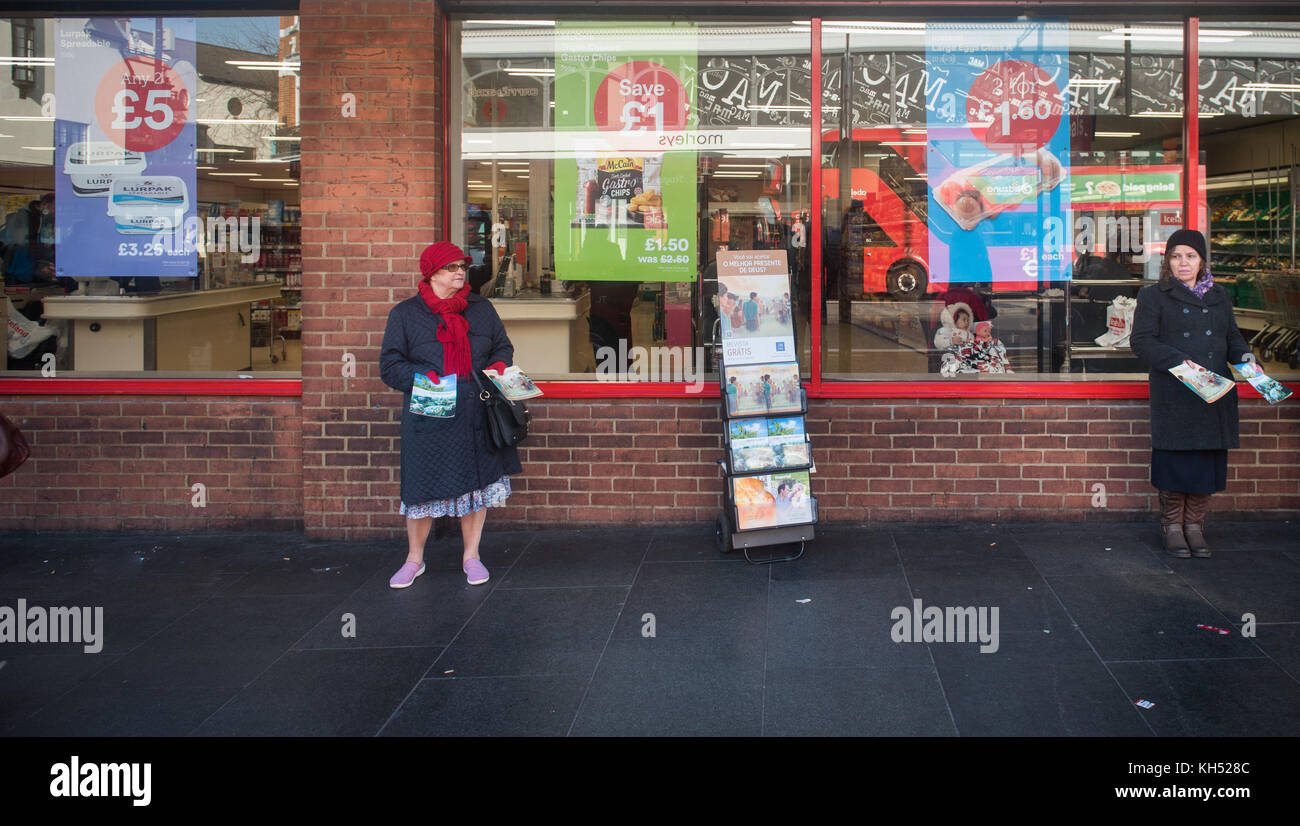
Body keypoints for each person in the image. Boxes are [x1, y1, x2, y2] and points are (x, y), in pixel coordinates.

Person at [380, 241, 521, 588]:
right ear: (431, 274)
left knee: (477, 483)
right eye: (451, 267)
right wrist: (419, 378)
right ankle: (414, 559)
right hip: (431, 414)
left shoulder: (481, 308)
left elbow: (502, 344)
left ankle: (471, 556)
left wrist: (499, 364)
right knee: (422, 488)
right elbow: (389, 365)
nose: (460, 272)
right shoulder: (406, 314)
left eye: (463, 266)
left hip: (476, 412)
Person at [1129, 228, 1253, 558]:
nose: (1183, 262)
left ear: (1201, 261)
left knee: (1206, 465)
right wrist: (1179, 362)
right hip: (1176, 391)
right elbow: (1141, 341)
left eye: (1190, 256)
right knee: (1175, 462)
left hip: (1215, 393)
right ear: (1167, 261)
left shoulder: (1220, 296)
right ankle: (1172, 527)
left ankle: (1195, 526)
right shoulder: (1154, 296)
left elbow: (1233, 338)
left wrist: (1248, 360)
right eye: (1176, 256)